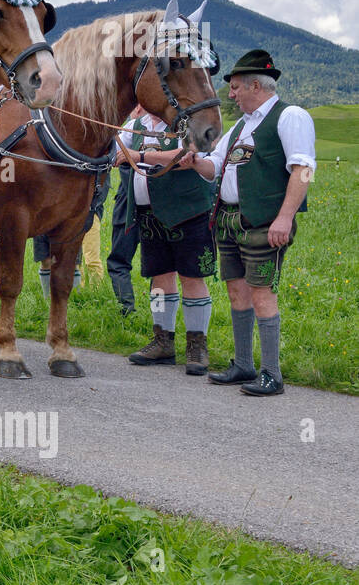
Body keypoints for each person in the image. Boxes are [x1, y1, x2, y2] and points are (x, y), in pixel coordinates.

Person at [192, 50, 315, 396]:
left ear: (255, 86)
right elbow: (213, 167)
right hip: (229, 221)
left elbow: (303, 168)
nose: (230, 94)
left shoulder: (289, 116)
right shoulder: (240, 126)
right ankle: (244, 364)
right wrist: (193, 161)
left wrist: (285, 217)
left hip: (264, 222)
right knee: (236, 291)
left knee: (262, 293)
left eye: (234, 87)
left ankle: (271, 374)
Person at [115, 106, 218, 376]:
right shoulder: (136, 124)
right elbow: (112, 143)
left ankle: (197, 346)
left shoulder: (188, 123)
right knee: (160, 279)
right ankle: (163, 340)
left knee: (192, 277)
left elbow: (187, 153)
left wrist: (141, 156)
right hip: (149, 214)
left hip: (188, 211)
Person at [107, 104, 145, 314]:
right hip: (127, 203)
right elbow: (113, 152)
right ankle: (127, 310)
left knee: (160, 270)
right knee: (118, 260)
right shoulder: (132, 127)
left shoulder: (174, 128)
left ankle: (160, 316)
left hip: (157, 206)